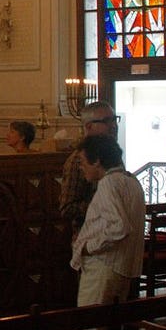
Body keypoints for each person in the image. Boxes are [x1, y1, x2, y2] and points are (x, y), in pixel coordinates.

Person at [69, 134, 146, 330]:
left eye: (83, 162)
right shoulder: (132, 181)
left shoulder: (108, 183)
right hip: (123, 267)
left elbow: (118, 227)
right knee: (104, 328)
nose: (81, 168)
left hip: (103, 267)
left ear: (97, 161)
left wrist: (88, 246)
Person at [59, 101, 120, 235]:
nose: (114, 126)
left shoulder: (112, 154)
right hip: (90, 237)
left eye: (114, 119)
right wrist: (102, 204)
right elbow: (67, 208)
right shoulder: (79, 160)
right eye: (106, 121)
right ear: (89, 126)